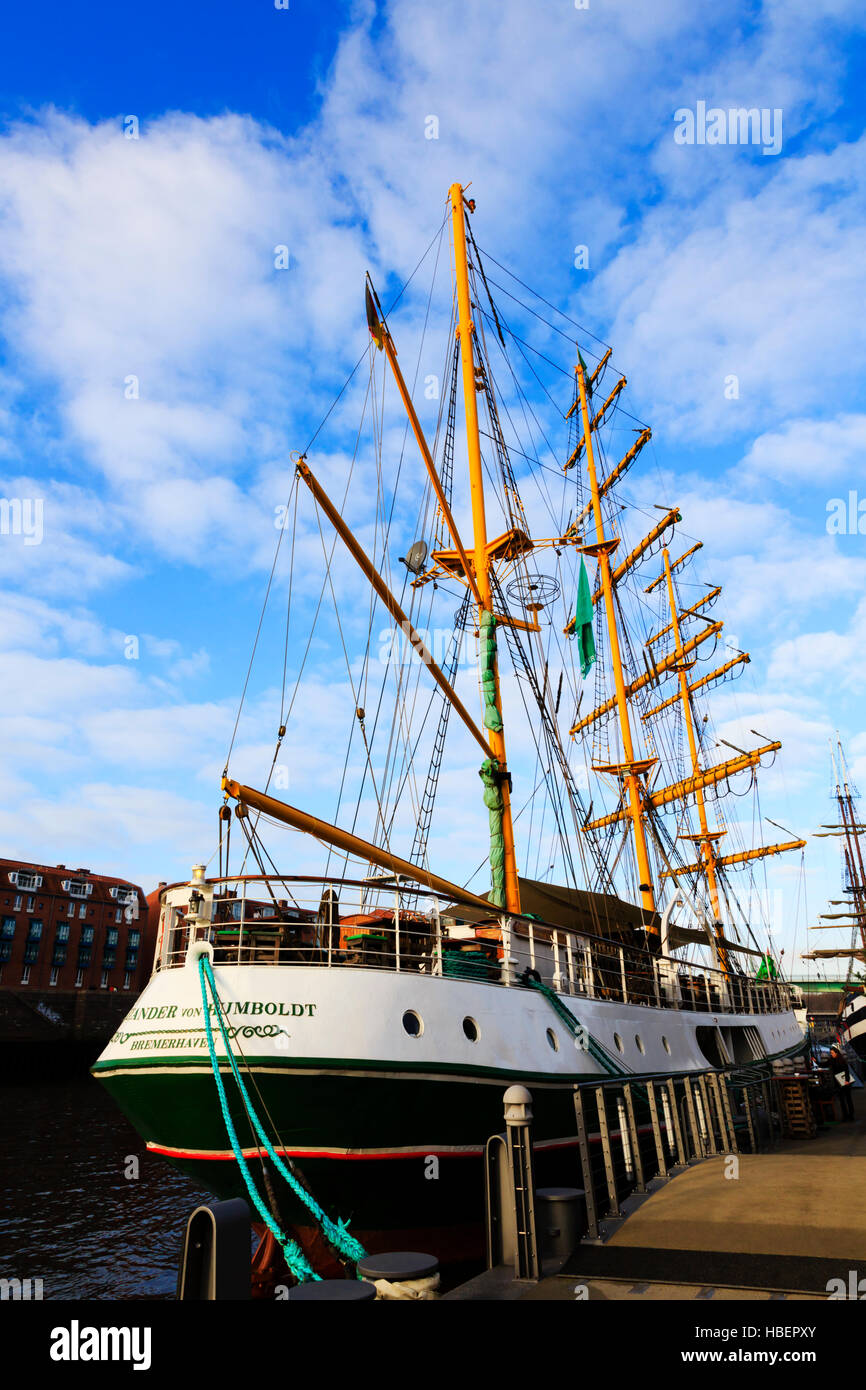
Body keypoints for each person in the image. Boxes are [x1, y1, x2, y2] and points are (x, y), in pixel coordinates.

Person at [828, 1043, 856, 1121]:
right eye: (831, 1053)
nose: (831, 1054)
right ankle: (845, 1116)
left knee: (848, 1098)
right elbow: (824, 1064)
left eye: (832, 1053)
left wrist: (847, 1080)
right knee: (842, 1100)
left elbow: (847, 1071)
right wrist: (816, 1061)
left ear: (836, 1053)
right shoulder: (832, 1060)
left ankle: (851, 1115)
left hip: (845, 1081)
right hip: (838, 1082)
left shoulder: (842, 1060)